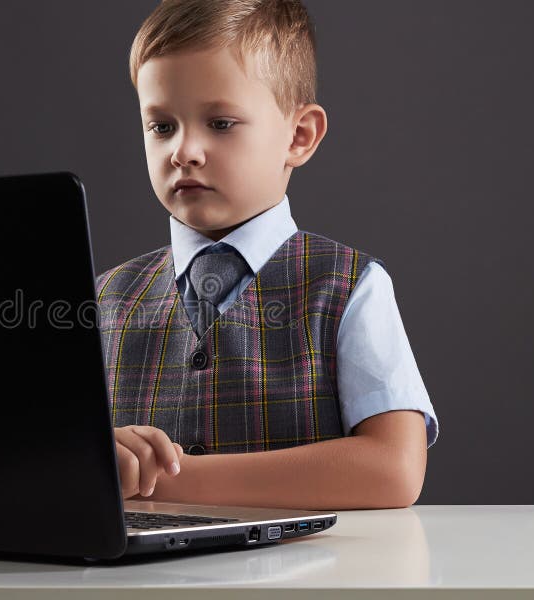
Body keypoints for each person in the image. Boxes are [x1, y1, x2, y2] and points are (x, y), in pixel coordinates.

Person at [95, 0, 438, 510]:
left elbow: (393, 470)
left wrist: (167, 479)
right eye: (162, 126)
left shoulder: (347, 285)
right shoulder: (105, 296)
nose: (183, 151)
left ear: (299, 137)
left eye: (221, 123)